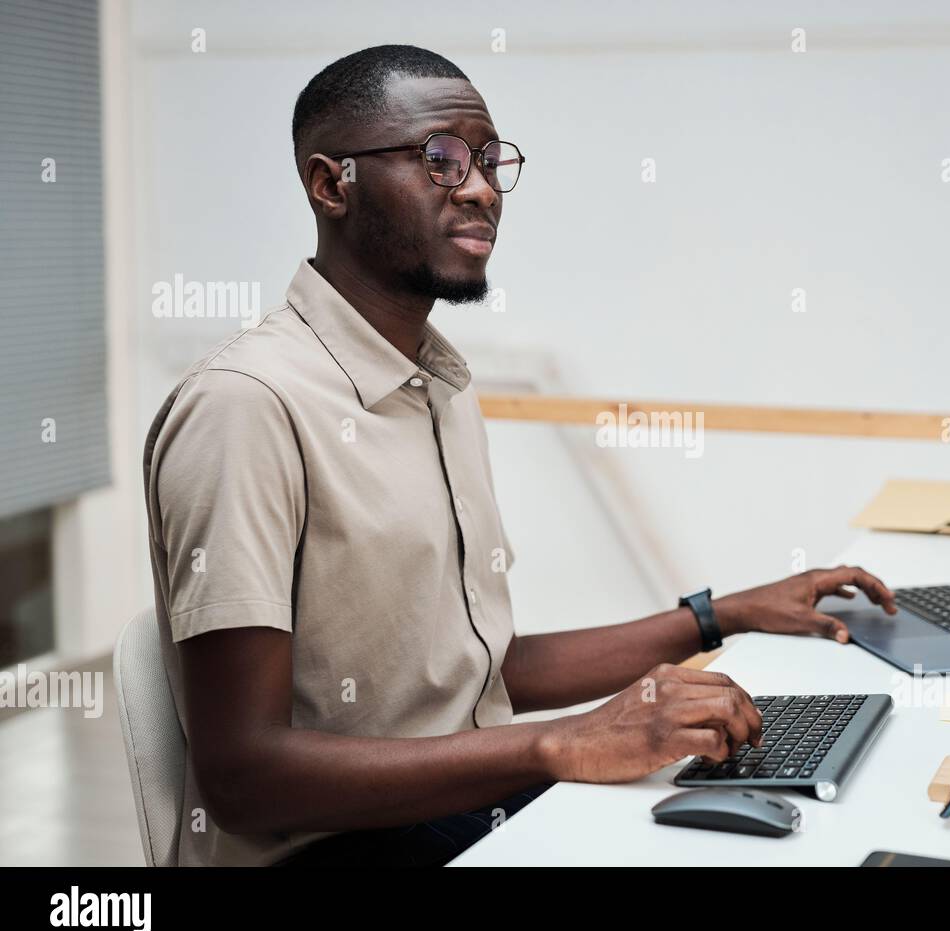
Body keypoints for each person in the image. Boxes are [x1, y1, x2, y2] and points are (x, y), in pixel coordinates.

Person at [143, 45, 897, 866]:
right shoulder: (246, 406)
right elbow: (245, 775)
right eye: (439, 159)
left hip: (453, 807)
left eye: (490, 160)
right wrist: (558, 744)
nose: (479, 188)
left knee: (795, 814)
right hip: (332, 850)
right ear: (331, 186)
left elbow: (477, 670)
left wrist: (717, 617)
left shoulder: (439, 386)